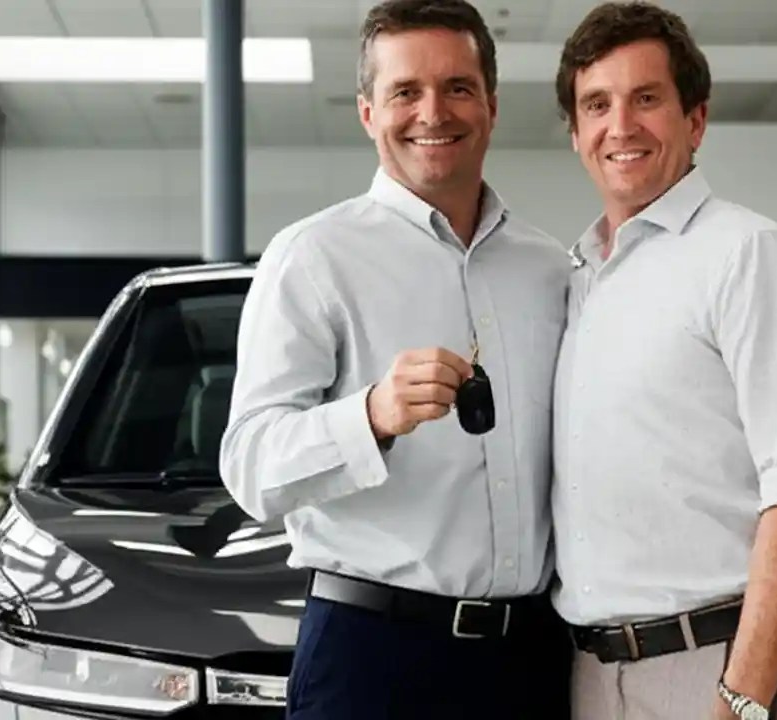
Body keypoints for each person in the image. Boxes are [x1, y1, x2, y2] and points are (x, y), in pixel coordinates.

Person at [217, 1, 571, 718]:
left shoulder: (552, 268)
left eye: (458, 87)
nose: (432, 112)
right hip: (373, 659)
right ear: (367, 113)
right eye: (405, 91)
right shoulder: (313, 257)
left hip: (532, 657)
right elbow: (250, 466)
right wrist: (370, 415)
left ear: (492, 107)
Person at [549, 3, 777, 719]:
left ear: (696, 119)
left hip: (721, 668)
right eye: (597, 104)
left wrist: (740, 698)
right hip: (594, 676)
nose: (620, 126)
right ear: (575, 132)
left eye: (646, 99)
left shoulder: (750, 256)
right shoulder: (579, 278)